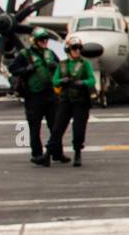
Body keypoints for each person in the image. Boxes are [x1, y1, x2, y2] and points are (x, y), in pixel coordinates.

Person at [9, 28, 63, 166]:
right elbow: (13, 69)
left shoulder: (50, 53)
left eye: (46, 39)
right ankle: (37, 154)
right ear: (34, 41)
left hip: (50, 94)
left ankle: (57, 153)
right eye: (41, 39)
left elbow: (61, 68)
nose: (45, 41)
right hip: (34, 96)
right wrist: (26, 70)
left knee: (55, 126)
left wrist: (54, 66)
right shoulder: (25, 54)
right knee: (34, 127)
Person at [50, 36, 96, 167]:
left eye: (79, 48)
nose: (77, 51)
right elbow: (54, 81)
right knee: (57, 127)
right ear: (68, 50)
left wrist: (83, 83)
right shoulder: (62, 64)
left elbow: (92, 80)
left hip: (80, 101)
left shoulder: (85, 63)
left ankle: (77, 154)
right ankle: (48, 153)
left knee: (78, 129)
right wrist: (61, 81)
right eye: (74, 48)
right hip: (65, 100)